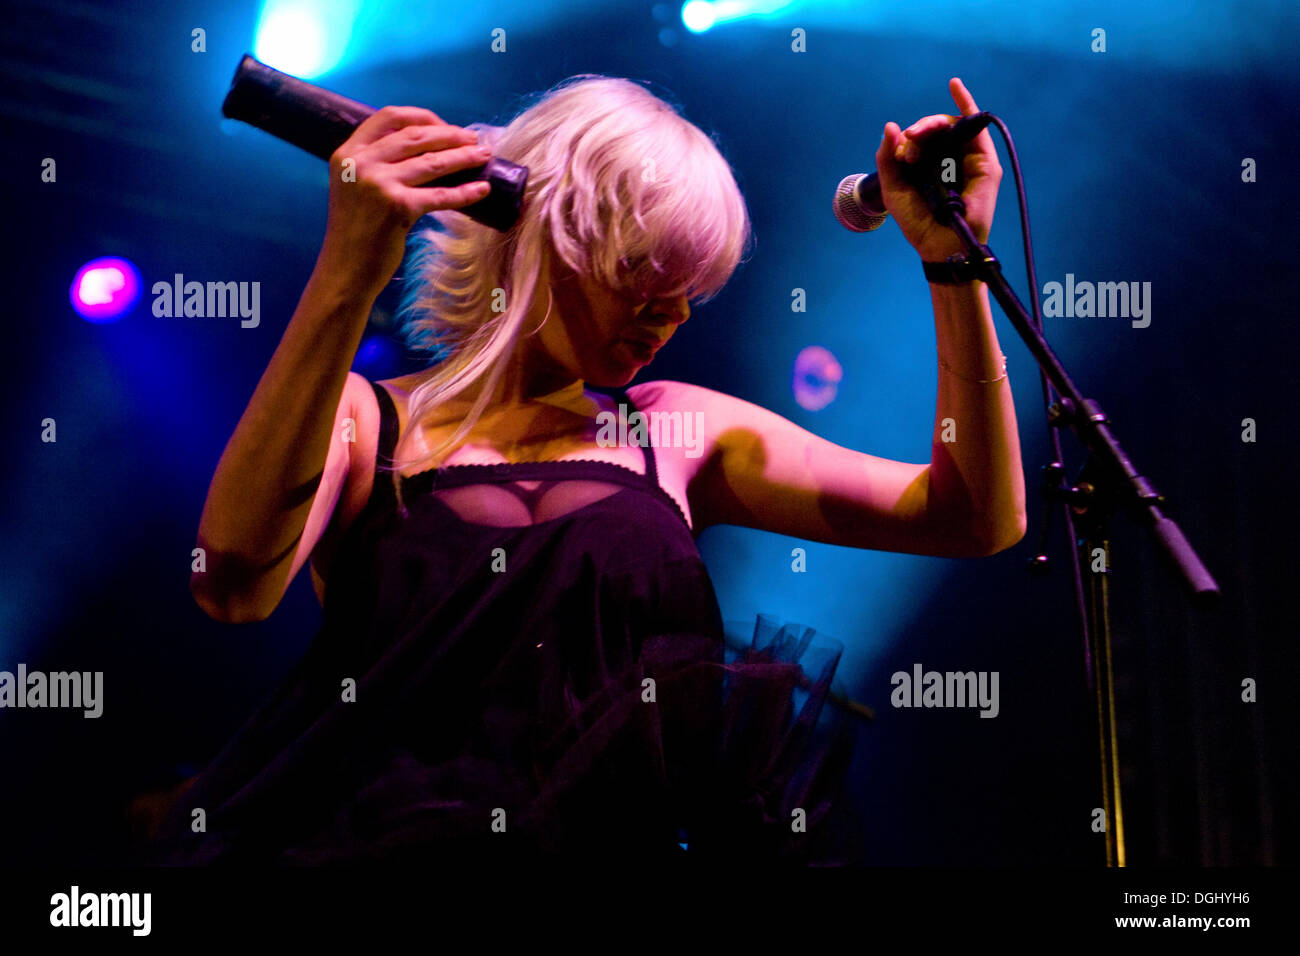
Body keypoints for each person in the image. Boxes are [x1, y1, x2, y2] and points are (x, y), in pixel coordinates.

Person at [140, 74, 1024, 866]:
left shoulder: (674, 429)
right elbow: (231, 586)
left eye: (690, 290)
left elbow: (974, 516)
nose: (672, 314)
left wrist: (955, 265)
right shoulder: (365, 421)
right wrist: (350, 267)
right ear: (546, 233)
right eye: (646, 274)